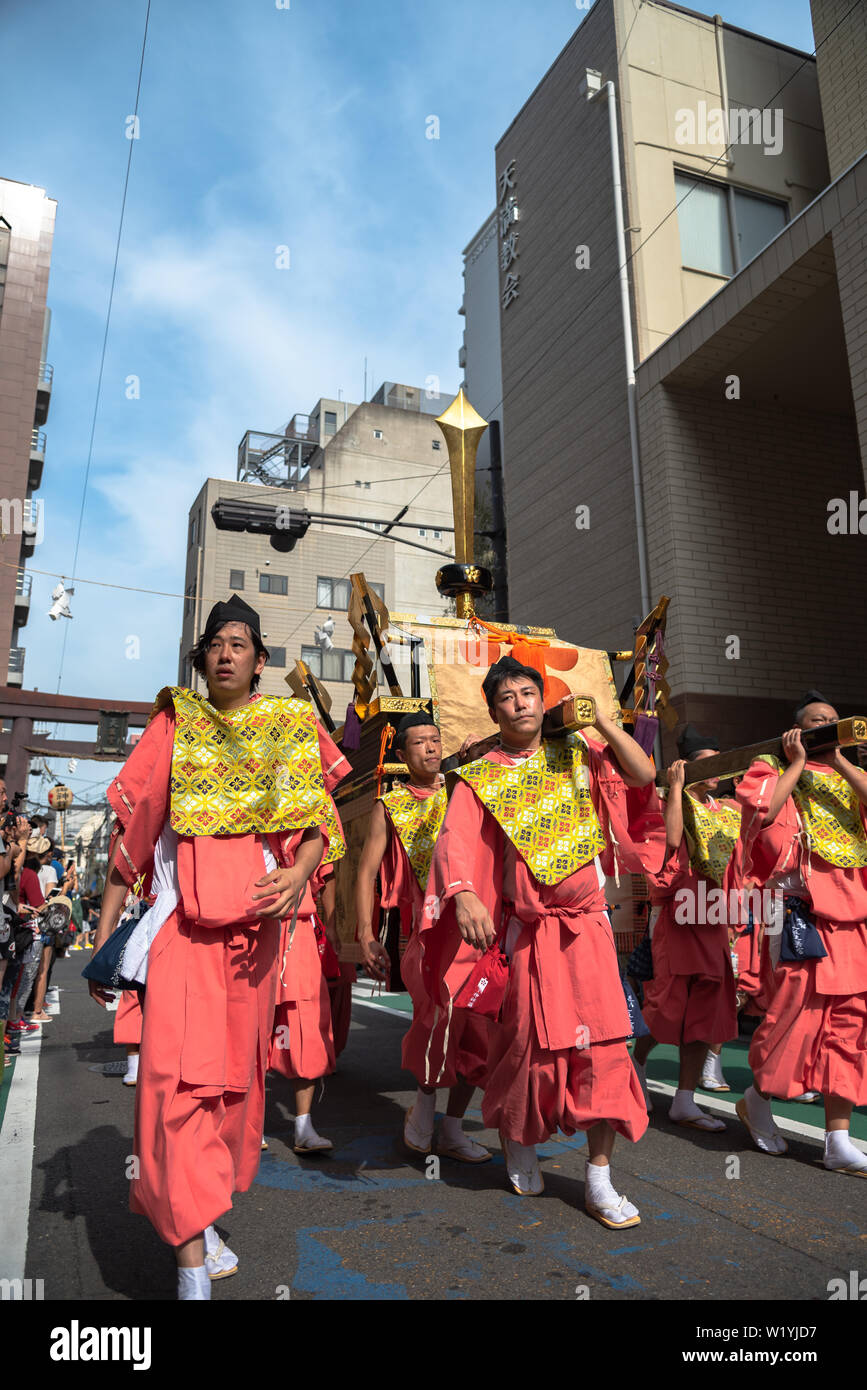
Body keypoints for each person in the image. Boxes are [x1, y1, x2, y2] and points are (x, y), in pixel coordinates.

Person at [89, 594, 350, 1299]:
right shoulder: (176, 721)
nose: (226, 651)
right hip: (182, 936)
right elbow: (133, 834)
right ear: (202, 659)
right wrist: (109, 934)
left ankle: (200, 1218)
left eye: (240, 643)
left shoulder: (289, 725)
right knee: (176, 1087)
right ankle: (190, 1266)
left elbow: (318, 826)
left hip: (259, 945)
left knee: (236, 1090)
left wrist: (299, 872)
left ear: (261, 661)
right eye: (215, 643)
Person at [421, 656, 663, 1228]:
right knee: (527, 1047)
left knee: (605, 1050)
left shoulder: (580, 752)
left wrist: (603, 723)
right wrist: (463, 894)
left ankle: (599, 1178)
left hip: (589, 929)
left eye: (529, 692)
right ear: (492, 711)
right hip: (528, 935)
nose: (521, 703)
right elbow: (453, 842)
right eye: (507, 698)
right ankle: (519, 1140)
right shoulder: (482, 775)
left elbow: (643, 776)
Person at [736, 691, 867, 1173]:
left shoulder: (849, 776)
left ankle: (837, 1138)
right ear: (795, 730)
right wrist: (794, 761)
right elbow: (762, 813)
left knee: (849, 1027)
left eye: (833, 722)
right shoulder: (769, 766)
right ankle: (756, 1096)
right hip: (799, 915)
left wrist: (842, 762)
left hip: (853, 920)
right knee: (793, 1017)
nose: (825, 728)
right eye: (815, 723)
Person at [355, 712, 491, 1162]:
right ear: (402, 754)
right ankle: (425, 1105)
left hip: (477, 929)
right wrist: (365, 932)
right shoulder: (389, 805)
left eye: (436, 740)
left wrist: (481, 755)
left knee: (478, 1029)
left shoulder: (465, 789)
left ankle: (452, 1129)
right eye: (419, 743)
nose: (431, 749)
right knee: (435, 1025)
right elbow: (367, 871)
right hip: (428, 933)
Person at [632, 728, 740, 1133]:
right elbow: (672, 839)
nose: (715, 770)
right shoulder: (664, 801)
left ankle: (684, 1100)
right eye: (706, 762)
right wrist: (676, 789)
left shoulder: (727, 809)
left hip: (712, 916)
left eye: (718, 761)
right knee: (668, 1003)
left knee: (707, 1009)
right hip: (676, 915)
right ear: (687, 766)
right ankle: (636, 1064)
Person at [266, 808, 346, 1155]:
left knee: (305, 1022)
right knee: (252, 1023)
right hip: (252, 921)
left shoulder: (314, 796)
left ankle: (303, 1125)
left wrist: (333, 925)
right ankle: (249, 1121)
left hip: (299, 923)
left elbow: (326, 873)